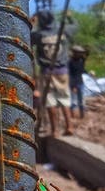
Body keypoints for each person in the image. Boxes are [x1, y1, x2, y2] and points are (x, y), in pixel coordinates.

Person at [32, 9, 74, 137]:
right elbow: (75, 26)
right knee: (65, 99)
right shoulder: (63, 30)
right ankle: (69, 126)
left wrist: (32, 23)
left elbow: (25, 36)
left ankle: (55, 131)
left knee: (50, 101)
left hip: (47, 72)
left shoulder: (38, 35)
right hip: (62, 71)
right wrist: (70, 17)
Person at [69, 44, 87, 119]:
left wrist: (89, 73)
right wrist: (73, 86)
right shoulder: (70, 62)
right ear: (75, 52)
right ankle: (73, 117)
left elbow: (82, 70)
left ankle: (82, 116)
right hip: (73, 83)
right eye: (79, 52)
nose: (80, 54)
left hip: (81, 82)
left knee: (82, 101)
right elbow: (70, 74)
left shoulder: (81, 60)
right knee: (73, 101)